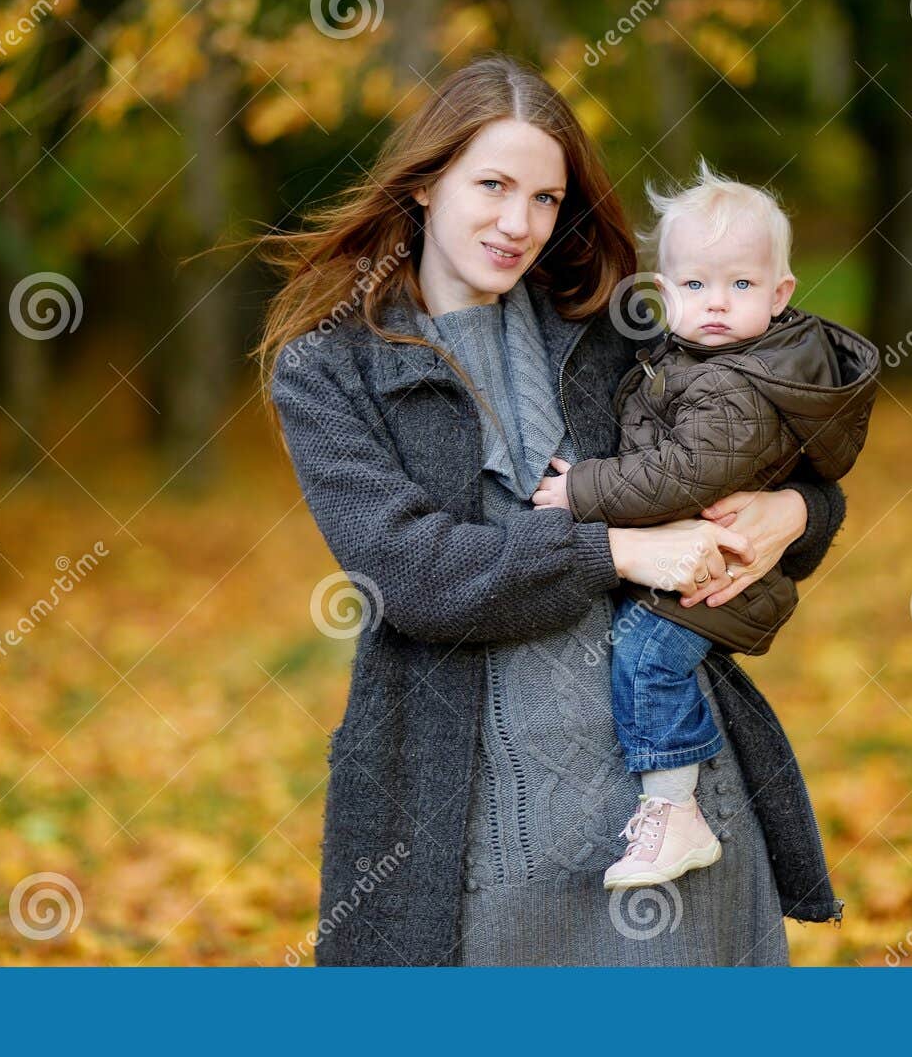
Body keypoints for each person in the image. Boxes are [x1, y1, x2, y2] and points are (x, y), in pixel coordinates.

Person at [259, 54, 846, 965]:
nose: (518, 223)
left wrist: (797, 515)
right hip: (475, 823)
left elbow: (757, 444)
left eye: (544, 196)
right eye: (492, 185)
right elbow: (414, 573)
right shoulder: (328, 369)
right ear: (423, 185)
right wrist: (612, 551)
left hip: (674, 801)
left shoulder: (614, 328)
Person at [532, 159, 879, 891]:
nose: (716, 303)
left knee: (647, 657)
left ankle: (674, 809)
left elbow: (681, 475)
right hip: (705, 563)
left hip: (715, 577)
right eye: (695, 285)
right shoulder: (701, 358)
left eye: (741, 285)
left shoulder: (733, 382)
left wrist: (582, 490)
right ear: (664, 293)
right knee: (641, 653)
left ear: (780, 294)